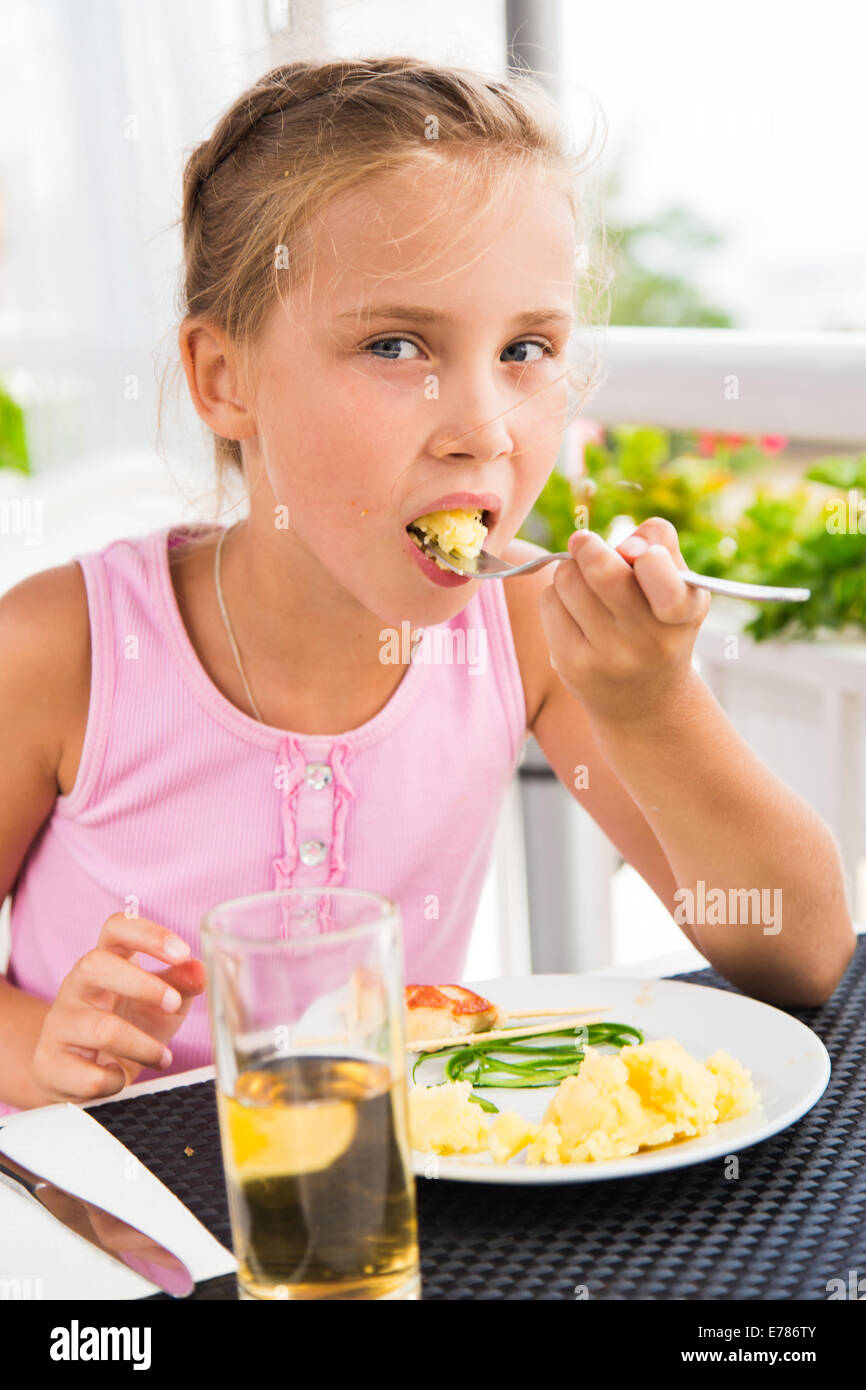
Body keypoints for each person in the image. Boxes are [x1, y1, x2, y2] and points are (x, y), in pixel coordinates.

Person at [0, 57, 855, 1116]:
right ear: (224, 379)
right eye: (396, 345)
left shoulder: (525, 630)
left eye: (525, 348)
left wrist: (654, 703)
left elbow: (802, 953)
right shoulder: (64, 648)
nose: (483, 429)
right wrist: (42, 1049)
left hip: (388, 1227)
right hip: (109, 1233)